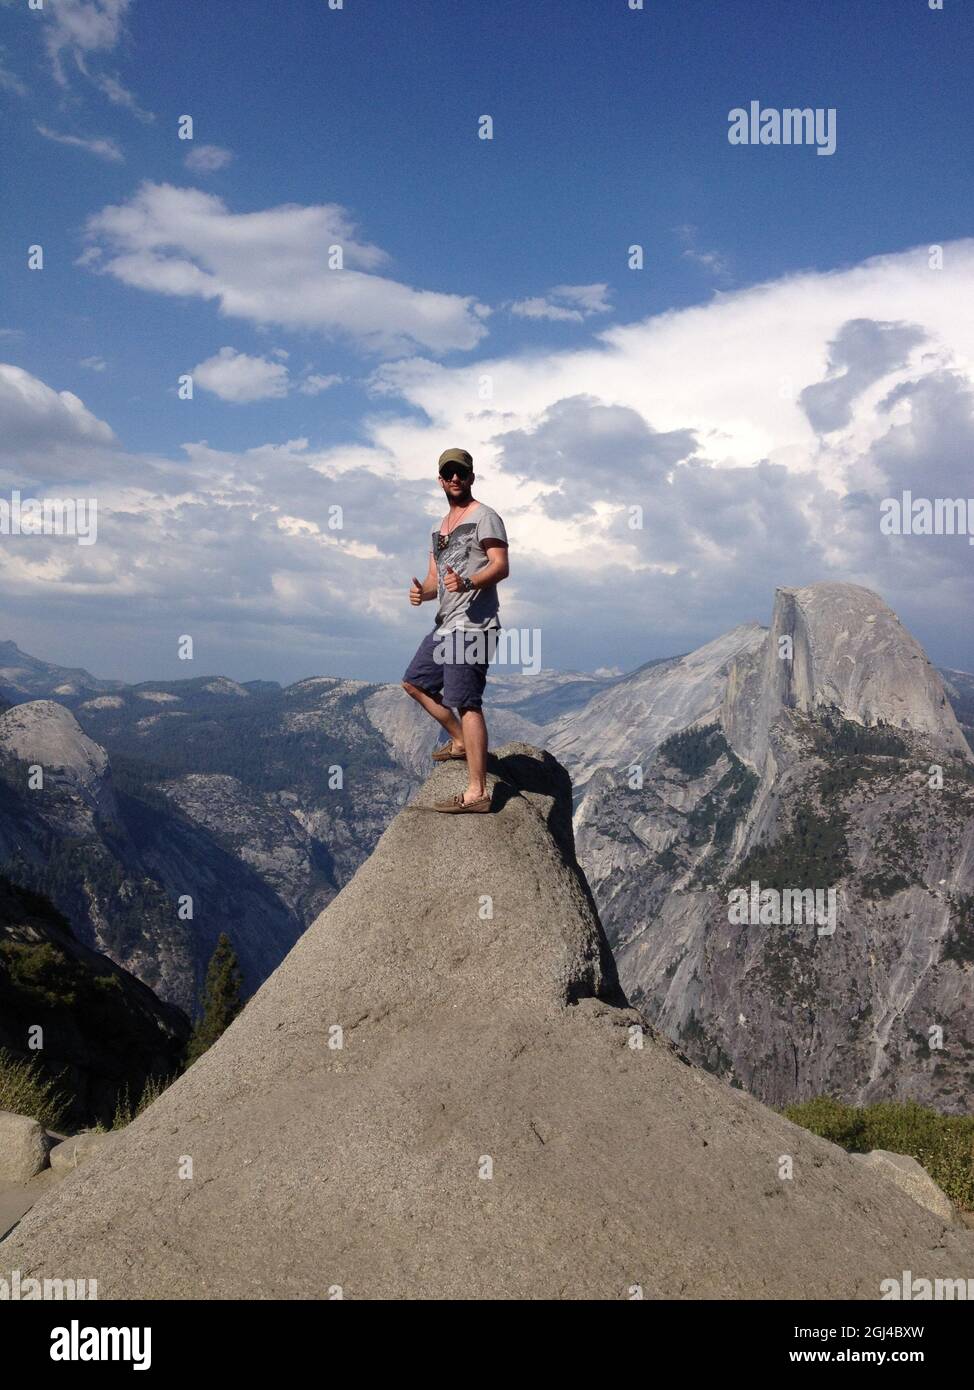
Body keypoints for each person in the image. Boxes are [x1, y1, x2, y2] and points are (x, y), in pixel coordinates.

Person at [402, 447, 509, 813]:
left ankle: (477, 792)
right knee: (414, 682)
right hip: (446, 624)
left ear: (471, 477)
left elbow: (500, 565)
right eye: (449, 474)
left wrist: (469, 582)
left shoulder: (486, 517)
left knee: (467, 702)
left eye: (461, 473)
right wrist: (423, 592)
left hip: (474, 625)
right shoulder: (437, 528)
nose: (455, 479)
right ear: (440, 480)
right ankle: (460, 741)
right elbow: (436, 582)